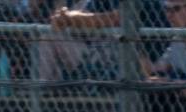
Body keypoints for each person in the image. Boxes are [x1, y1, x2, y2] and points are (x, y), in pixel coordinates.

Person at [40, 0, 168, 84]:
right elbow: (86, 15)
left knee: (118, 37)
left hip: (144, 62)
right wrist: (65, 16)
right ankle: (44, 90)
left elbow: (114, 19)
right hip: (102, 56)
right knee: (50, 35)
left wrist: (69, 19)